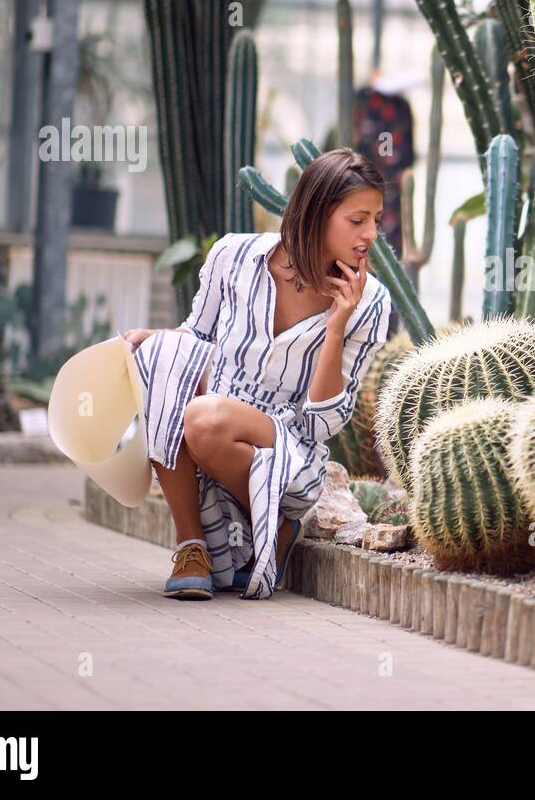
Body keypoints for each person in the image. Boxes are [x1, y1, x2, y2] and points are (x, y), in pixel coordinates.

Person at [122, 148, 392, 600]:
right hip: (206, 429)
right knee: (164, 355)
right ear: (317, 213)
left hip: (287, 452)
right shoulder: (234, 256)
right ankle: (191, 548)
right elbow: (194, 340)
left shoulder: (371, 302)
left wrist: (337, 322)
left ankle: (281, 521)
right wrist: (153, 339)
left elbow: (324, 421)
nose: (371, 235)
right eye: (358, 220)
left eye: (376, 221)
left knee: (205, 418)